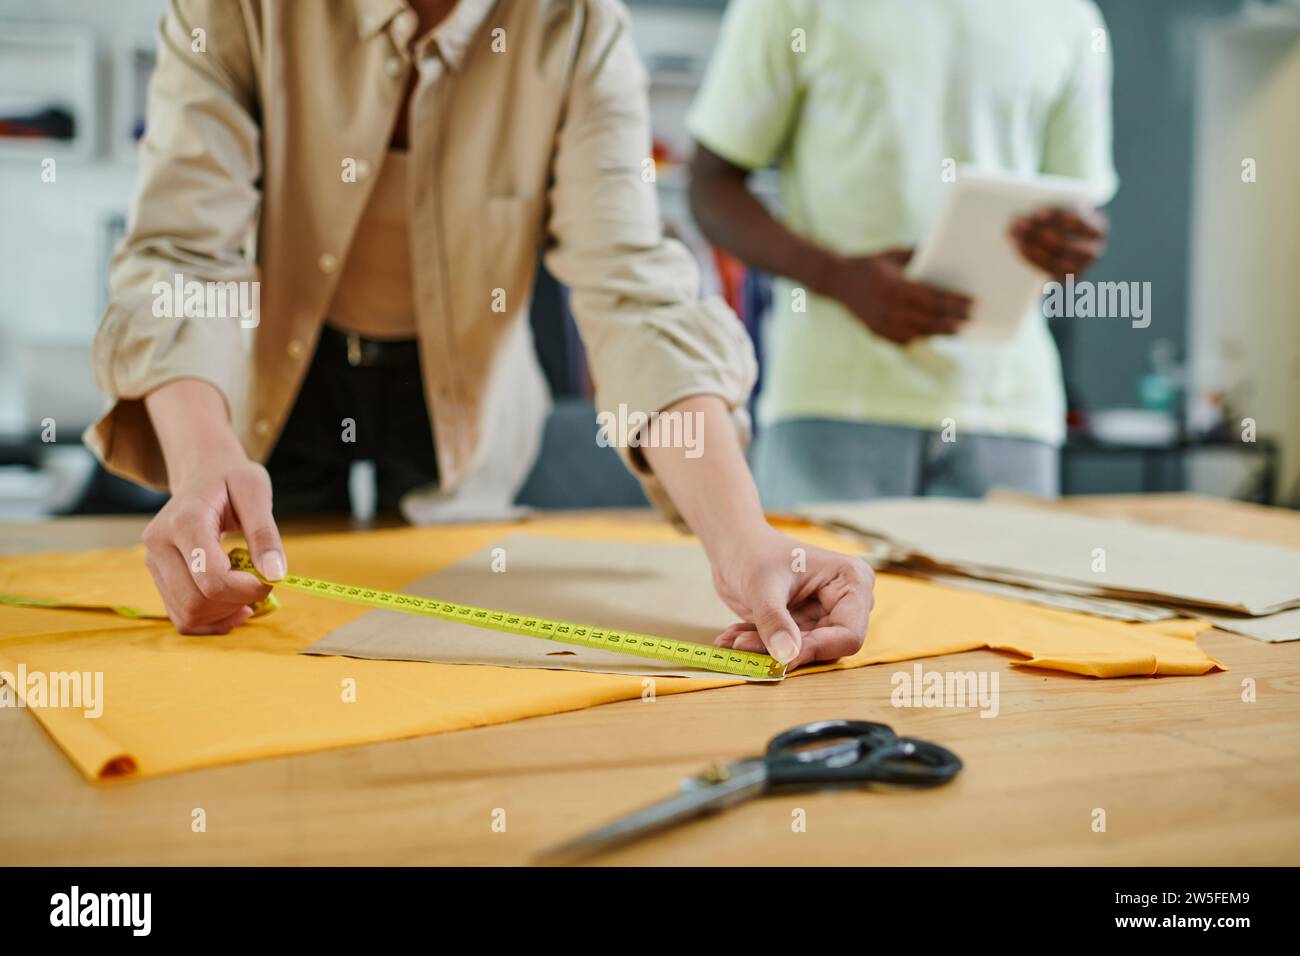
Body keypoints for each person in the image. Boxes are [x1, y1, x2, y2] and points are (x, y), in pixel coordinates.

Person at [86, 0, 873, 669]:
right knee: (254, 641)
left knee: (427, 659)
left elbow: (635, 297)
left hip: (461, 401)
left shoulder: (577, 26)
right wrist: (200, 461)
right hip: (256, 396)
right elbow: (183, 256)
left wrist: (742, 538)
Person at [687, 0, 1118, 508]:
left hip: (1009, 410)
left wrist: (1074, 242)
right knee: (809, 589)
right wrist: (836, 277)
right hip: (833, 400)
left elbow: (1077, 204)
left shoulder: (1068, 17)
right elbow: (711, 185)